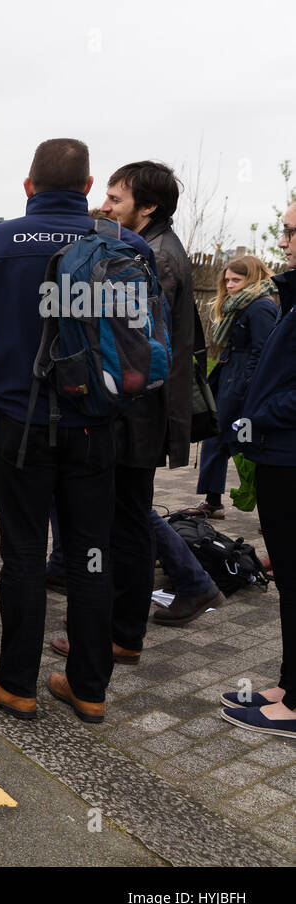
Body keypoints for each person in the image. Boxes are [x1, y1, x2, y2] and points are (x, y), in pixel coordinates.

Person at [0, 138, 155, 723]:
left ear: (27, 186)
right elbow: (142, 345)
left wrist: (0, 398)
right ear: (90, 189)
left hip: (24, 425)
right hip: (95, 428)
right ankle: (88, 686)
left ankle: (17, 684)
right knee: (92, 552)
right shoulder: (125, 244)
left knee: (22, 554)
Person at [50, 162, 197, 656]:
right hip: (142, 409)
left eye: (115, 199)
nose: (105, 206)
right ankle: (122, 632)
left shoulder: (152, 256)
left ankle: (118, 636)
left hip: (135, 412)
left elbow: (135, 346)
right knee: (128, 520)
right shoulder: (159, 248)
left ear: (148, 207)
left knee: (124, 526)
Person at [222, 200, 296, 736]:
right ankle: (288, 685)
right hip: (277, 451)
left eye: (294, 232)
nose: (285, 240)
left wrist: (263, 413)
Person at [196, 255, 281, 518]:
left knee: (244, 444)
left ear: (252, 278)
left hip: (242, 383)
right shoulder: (239, 305)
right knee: (217, 440)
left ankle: (272, 508)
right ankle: (212, 501)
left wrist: (248, 386)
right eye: (228, 280)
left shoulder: (260, 307)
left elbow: (263, 350)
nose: (230, 285)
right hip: (229, 378)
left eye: (237, 279)